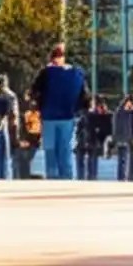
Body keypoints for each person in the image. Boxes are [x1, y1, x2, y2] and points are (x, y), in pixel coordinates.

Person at [30, 43, 91, 181]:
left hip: (49, 116)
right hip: (68, 117)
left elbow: (34, 91)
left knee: (51, 151)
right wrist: (78, 110)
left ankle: (53, 178)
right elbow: (85, 96)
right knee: (66, 151)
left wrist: (39, 105)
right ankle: (67, 178)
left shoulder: (46, 73)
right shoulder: (77, 73)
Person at [15, 91, 42, 180]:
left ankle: (25, 177)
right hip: (28, 139)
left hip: (34, 140)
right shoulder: (26, 113)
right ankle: (23, 177)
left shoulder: (37, 113)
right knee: (22, 160)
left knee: (25, 160)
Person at [84, 95, 112, 181]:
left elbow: (108, 128)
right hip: (93, 138)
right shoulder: (91, 114)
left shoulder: (105, 114)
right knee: (92, 156)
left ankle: (92, 176)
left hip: (97, 138)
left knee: (92, 157)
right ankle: (91, 176)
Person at [113, 94, 133, 182]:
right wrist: (116, 138)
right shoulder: (119, 112)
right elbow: (116, 126)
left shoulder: (132, 113)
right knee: (121, 159)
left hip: (130, 138)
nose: (131, 105)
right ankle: (121, 177)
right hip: (122, 138)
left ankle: (129, 176)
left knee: (130, 159)